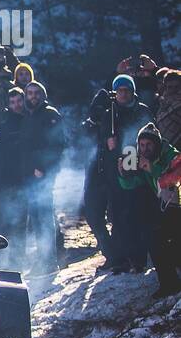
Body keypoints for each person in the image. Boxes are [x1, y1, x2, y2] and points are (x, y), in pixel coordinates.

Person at [82, 74, 152, 273]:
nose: (123, 94)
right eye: (119, 90)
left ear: (132, 92)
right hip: (111, 170)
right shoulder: (109, 113)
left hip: (135, 170)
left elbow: (149, 137)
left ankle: (136, 258)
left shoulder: (142, 111)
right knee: (111, 215)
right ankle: (117, 257)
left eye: (126, 90)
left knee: (131, 215)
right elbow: (101, 138)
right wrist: (107, 142)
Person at [117, 123, 181, 298]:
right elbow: (133, 185)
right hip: (166, 208)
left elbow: (174, 179)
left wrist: (152, 169)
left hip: (177, 207)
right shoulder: (143, 160)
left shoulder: (173, 156)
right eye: (142, 145)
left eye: (149, 145)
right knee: (152, 236)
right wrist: (123, 174)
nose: (145, 149)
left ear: (157, 144)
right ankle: (169, 283)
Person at [19, 81, 65, 274]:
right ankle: (42, 259)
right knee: (36, 218)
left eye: (36, 93)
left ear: (42, 95)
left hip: (43, 174)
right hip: (29, 173)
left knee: (44, 217)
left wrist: (43, 168)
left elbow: (57, 145)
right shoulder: (27, 116)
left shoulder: (50, 115)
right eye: (29, 93)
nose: (33, 96)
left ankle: (49, 261)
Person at [0, 88, 29, 258]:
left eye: (19, 101)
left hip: (29, 178)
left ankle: (21, 258)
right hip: (10, 180)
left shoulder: (31, 120)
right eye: (13, 102)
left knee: (25, 223)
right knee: (11, 222)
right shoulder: (5, 126)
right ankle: (10, 259)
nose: (17, 105)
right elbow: (0, 157)